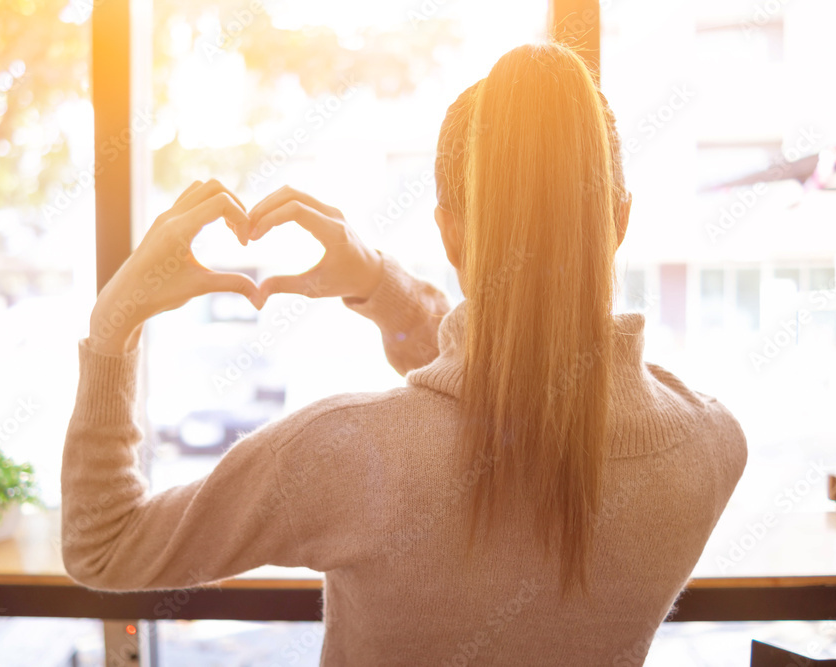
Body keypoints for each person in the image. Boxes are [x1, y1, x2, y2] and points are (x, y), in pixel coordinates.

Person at [62, 42, 747, 665]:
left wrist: (113, 324)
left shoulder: (344, 453)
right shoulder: (712, 447)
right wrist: (377, 284)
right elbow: (519, 383)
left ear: (449, 234)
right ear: (620, 219)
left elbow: (105, 544)